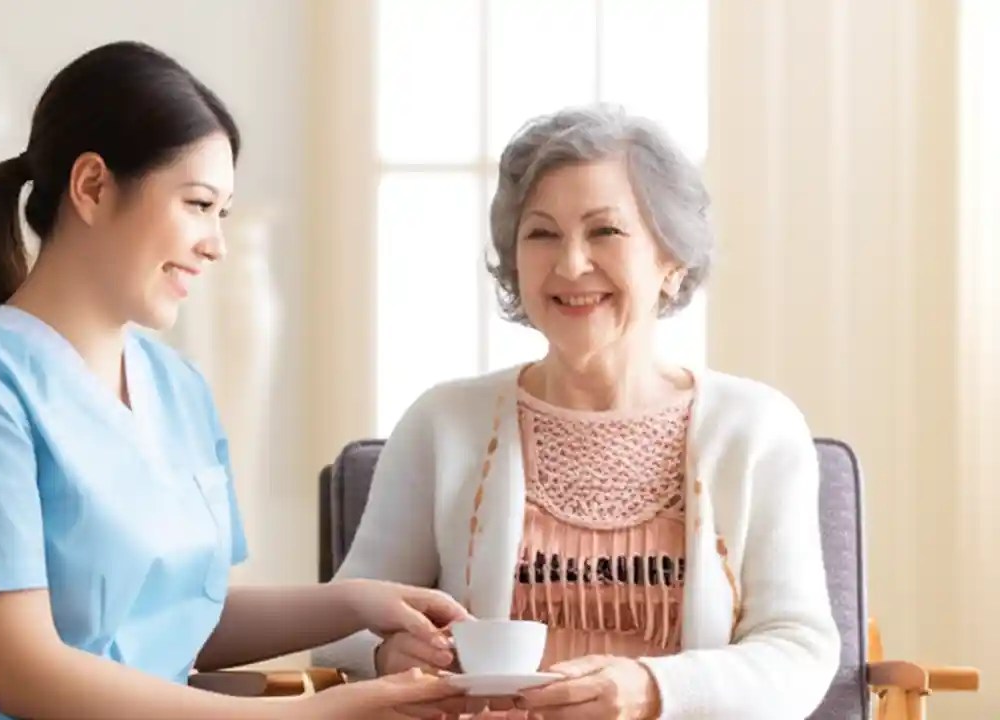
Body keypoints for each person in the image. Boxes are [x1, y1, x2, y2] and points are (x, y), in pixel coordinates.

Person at [0, 40, 469, 720]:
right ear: (92, 187)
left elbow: (185, 620)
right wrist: (306, 714)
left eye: (223, 214)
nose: (217, 242)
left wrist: (355, 603)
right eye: (198, 203)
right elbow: (25, 675)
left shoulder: (177, 388)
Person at [312, 105, 841, 719]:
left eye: (605, 232)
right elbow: (340, 629)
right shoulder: (443, 422)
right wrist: (389, 655)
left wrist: (652, 690)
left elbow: (800, 650)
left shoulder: (757, 428)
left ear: (671, 259)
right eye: (541, 234)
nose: (570, 265)